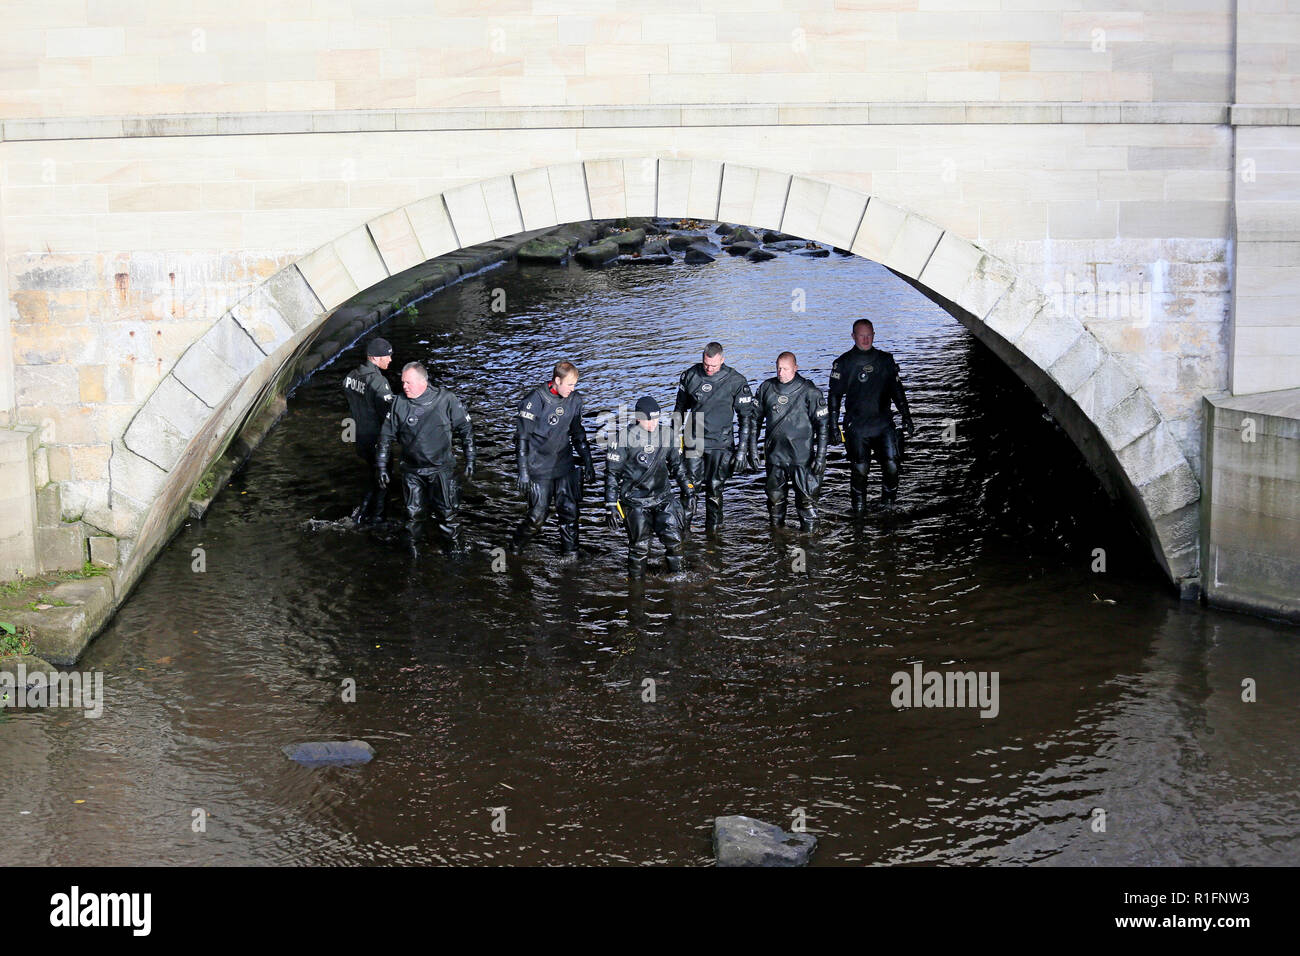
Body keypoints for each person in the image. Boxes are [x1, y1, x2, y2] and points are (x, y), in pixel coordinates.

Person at [374, 362, 475, 554]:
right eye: (403, 383)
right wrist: (381, 466)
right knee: (413, 516)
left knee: (447, 515)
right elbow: (385, 437)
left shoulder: (446, 400)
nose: (404, 387)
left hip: (441, 469)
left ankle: (456, 555)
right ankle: (414, 557)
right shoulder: (399, 403)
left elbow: (465, 430)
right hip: (412, 470)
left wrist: (470, 459)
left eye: (408, 383)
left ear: (423, 382)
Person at [511, 360, 597, 557]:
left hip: (564, 464)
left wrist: (588, 461)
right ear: (557, 380)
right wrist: (523, 472)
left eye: (575, 385)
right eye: (569, 384)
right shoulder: (534, 401)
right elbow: (522, 439)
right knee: (537, 517)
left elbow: (578, 433)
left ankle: (570, 555)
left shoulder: (575, 400)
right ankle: (515, 548)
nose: (572, 389)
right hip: (538, 467)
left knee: (570, 511)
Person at [828, 319, 914, 513]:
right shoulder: (843, 363)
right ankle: (859, 510)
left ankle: (888, 506)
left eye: (869, 335)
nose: (865, 339)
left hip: (883, 424)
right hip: (857, 427)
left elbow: (897, 391)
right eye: (861, 335)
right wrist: (833, 426)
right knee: (860, 469)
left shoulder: (885, 360)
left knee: (892, 466)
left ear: (874, 335)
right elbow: (834, 396)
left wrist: (906, 416)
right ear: (853, 336)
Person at [673, 341, 758, 536]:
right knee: (689, 487)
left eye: (713, 365)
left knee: (714, 488)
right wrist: (674, 442)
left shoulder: (736, 381)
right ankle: (683, 532)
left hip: (721, 443)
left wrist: (742, 451)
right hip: (694, 439)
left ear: (722, 360)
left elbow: (746, 418)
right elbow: (679, 409)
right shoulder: (690, 376)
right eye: (706, 365)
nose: (709, 369)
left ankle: (714, 534)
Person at [605, 396, 694, 577]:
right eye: (648, 420)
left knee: (674, 541)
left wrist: (689, 490)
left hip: (663, 497)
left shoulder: (667, 434)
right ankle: (636, 588)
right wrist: (611, 505)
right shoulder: (622, 438)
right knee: (640, 547)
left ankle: (679, 581)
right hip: (635, 500)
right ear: (638, 417)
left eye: (656, 419)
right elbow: (612, 474)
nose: (653, 424)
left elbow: (678, 466)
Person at [749, 352, 828, 532]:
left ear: (795, 368)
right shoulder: (766, 388)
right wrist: (752, 449)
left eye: (785, 369)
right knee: (775, 503)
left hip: (802, 458)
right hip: (776, 457)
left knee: (807, 504)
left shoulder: (810, 392)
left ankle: (810, 543)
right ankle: (777, 539)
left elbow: (823, 426)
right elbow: (755, 420)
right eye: (778, 368)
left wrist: (821, 457)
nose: (780, 373)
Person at [342, 337, 395, 524]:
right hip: (376, 439)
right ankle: (377, 519)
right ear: (374, 358)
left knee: (373, 477)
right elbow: (388, 412)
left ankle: (360, 515)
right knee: (383, 479)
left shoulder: (350, 377)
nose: (390, 360)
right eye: (387, 356)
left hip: (359, 437)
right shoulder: (379, 382)